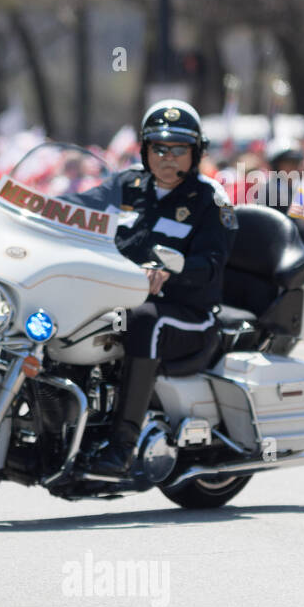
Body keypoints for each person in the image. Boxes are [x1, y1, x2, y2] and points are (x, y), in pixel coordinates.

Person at [88, 99, 238, 476]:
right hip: (117, 299)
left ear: (196, 152)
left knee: (142, 320)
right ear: (144, 149)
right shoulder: (126, 186)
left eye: (178, 149)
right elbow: (73, 212)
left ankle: (121, 446)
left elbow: (213, 265)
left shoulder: (210, 201)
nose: (167, 157)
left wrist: (175, 270)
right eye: (158, 148)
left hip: (189, 317)